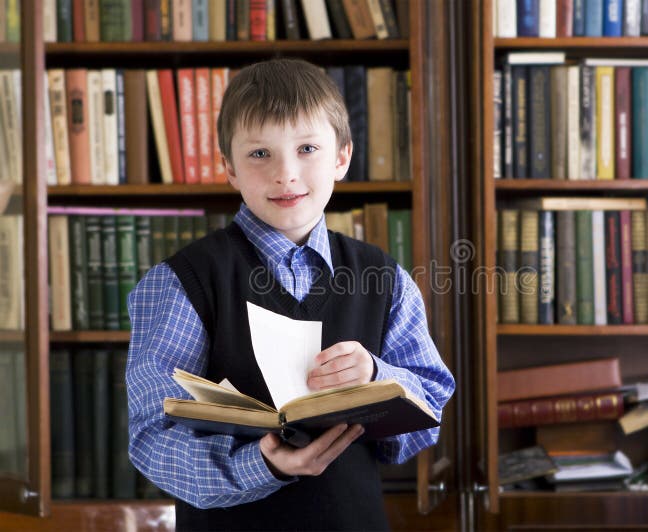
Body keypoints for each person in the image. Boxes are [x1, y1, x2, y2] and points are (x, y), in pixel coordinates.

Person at [126, 58, 455, 531]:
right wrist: (263, 465)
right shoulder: (182, 281)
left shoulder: (385, 278)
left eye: (307, 148)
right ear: (229, 168)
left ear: (341, 157)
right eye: (260, 153)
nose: (286, 174)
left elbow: (429, 409)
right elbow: (153, 437)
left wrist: (376, 377)